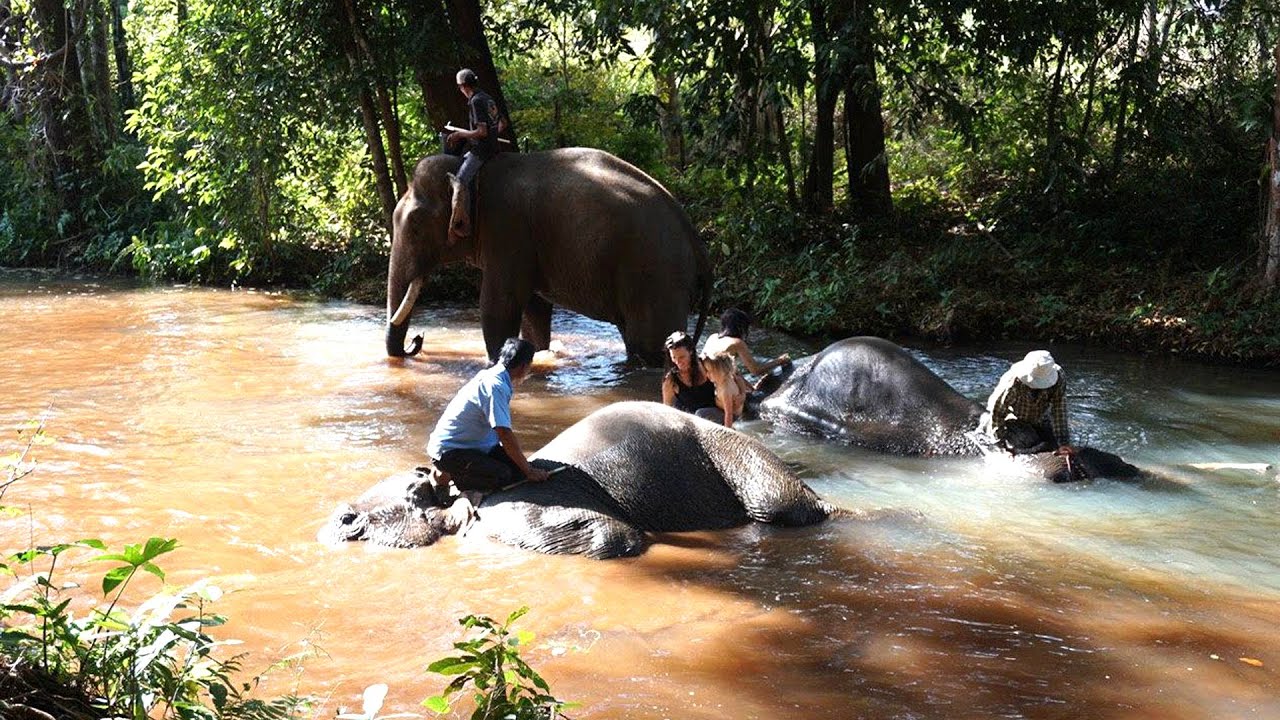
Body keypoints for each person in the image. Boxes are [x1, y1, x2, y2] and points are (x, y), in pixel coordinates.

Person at [426, 337, 551, 492]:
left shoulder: (492, 375)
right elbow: (504, 433)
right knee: (502, 476)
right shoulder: (496, 386)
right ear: (524, 367)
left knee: (518, 471)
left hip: (473, 445)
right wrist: (530, 471)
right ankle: (447, 477)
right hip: (451, 451)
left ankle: (449, 472)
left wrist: (525, 469)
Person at [978, 350, 1075, 456]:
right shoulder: (1012, 382)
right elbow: (998, 413)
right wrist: (1000, 442)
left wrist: (1063, 442)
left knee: (1051, 445)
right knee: (1024, 443)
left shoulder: (1059, 378)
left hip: (1039, 415)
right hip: (1011, 415)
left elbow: (1059, 411)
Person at [446, 68, 506, 235]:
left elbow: (482, 132)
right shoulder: (488, 98)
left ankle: (464, 223)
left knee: (460, 180)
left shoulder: (476, 101)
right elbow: (502, 123)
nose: (460, 91)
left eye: (460, 87)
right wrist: (494, 132)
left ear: (464, 86)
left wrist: (459, 134)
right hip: (493, 147)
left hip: (482, 150)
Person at [701, 308, 791, 390]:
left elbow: (730, 369)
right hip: (715, 386)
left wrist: (751, 388)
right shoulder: (737, 343)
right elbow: (755, 370)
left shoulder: (713, 337)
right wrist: (780, 360)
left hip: (702, 381)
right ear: (741, 327)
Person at [660, 331, 720, 422]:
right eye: (674, 357)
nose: (678, 362)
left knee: (701, 413)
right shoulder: (670, 380)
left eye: (682, 357)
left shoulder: (706, 364)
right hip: (691, 421)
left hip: (712, 414)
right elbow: (666, 408)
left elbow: (728, 377)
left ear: (691, 351)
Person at [699, 353, 750, 427]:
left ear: (721, 371)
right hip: (724, 409)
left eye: (710, 371)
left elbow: (728, 413)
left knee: (700, 413)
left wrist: (727, 431)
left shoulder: (725, 390)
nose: (707, 374)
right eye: (706, 371)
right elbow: (739, 379)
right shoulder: (728, 377)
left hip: (732, 416)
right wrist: (743, 393)